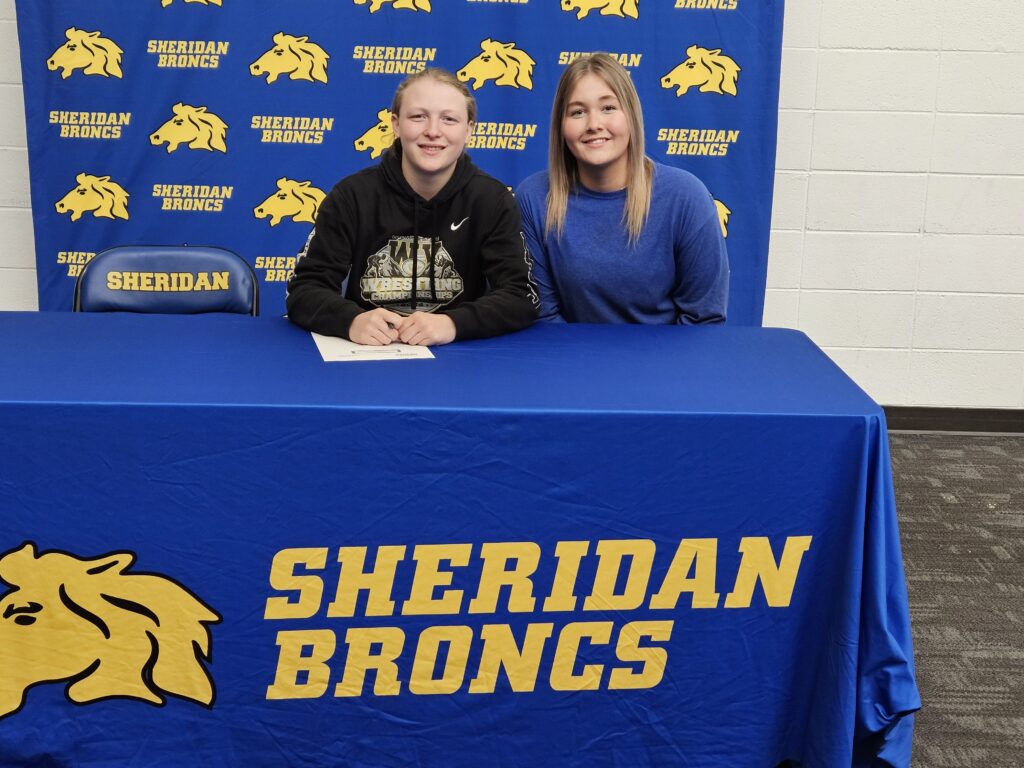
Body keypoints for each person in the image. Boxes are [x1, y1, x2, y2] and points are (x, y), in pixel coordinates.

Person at [286, 68, 538, 345]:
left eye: (449, 119)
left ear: (469, 130)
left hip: (459, 360)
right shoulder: (351, 196)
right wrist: (350, 320)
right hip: (370, 358)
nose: (432, 131)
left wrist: (453, 323)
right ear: (395, 124)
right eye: (418, 117)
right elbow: (303, 290)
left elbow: (521, 295)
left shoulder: (492, 200)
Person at [516, 53, 729, 325]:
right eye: (577, 112)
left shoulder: (686, 197)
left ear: (631, 117)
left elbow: (703, 319)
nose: (594, 124)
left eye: (608, 108)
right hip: (570, 361)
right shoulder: (534, 198)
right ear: (561, 126)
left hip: (664, 363)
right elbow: (543, 317)